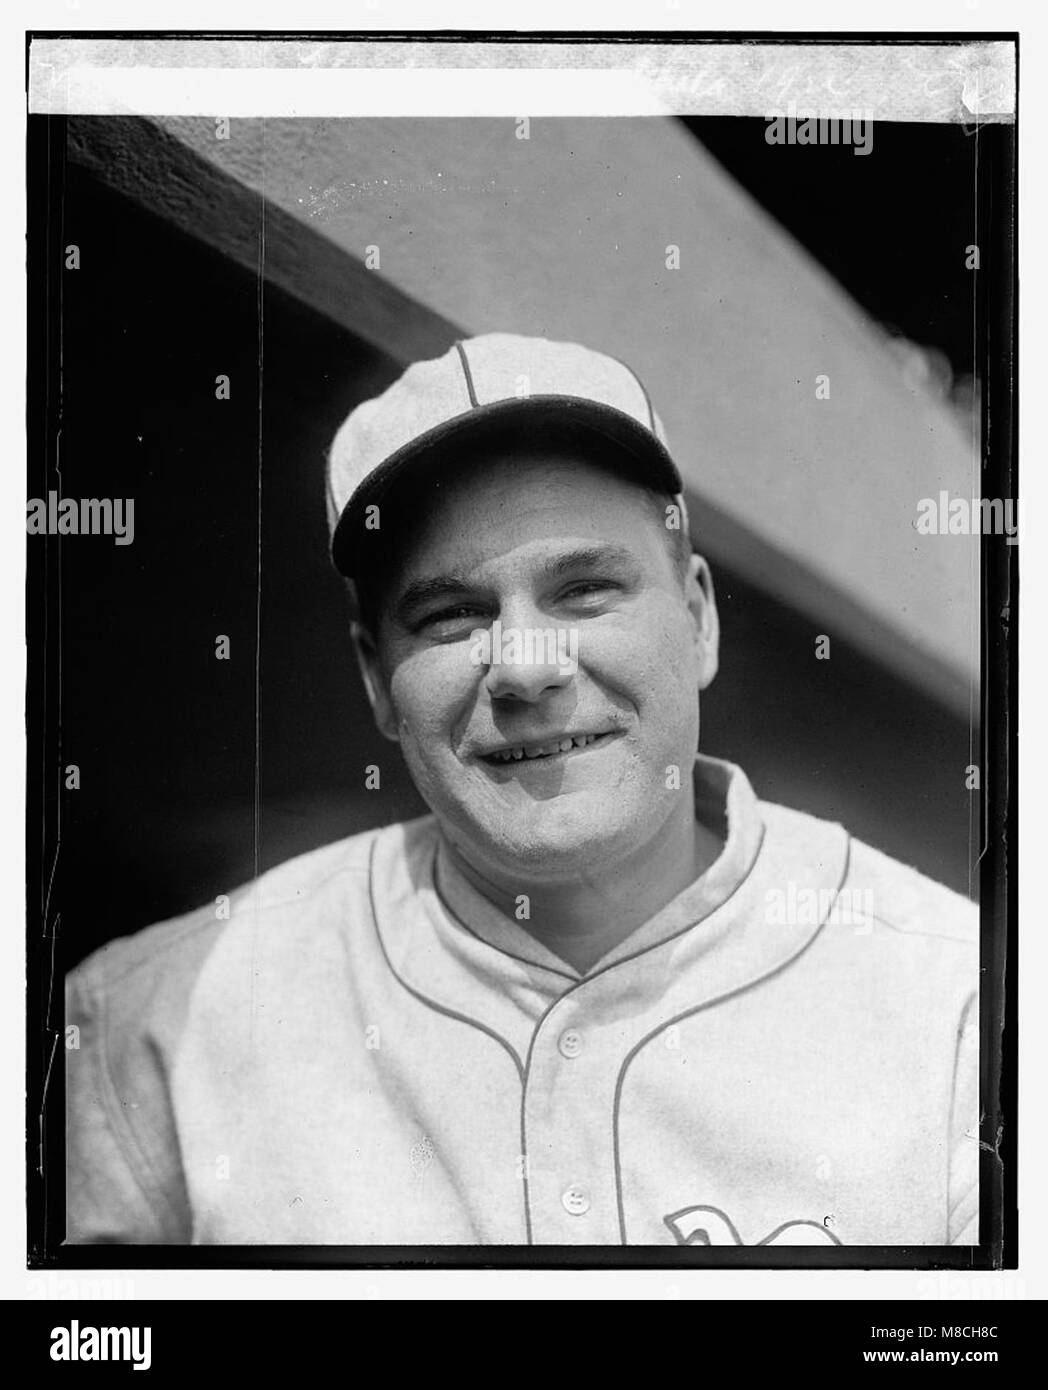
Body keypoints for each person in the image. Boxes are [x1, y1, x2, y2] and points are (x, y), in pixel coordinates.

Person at [65, 333, 979, 1247]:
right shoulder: (154, 1022)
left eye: (584, 590)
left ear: (697, 619)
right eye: (452, 615)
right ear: (377, 680)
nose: (525, 668)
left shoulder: (958, 1005)